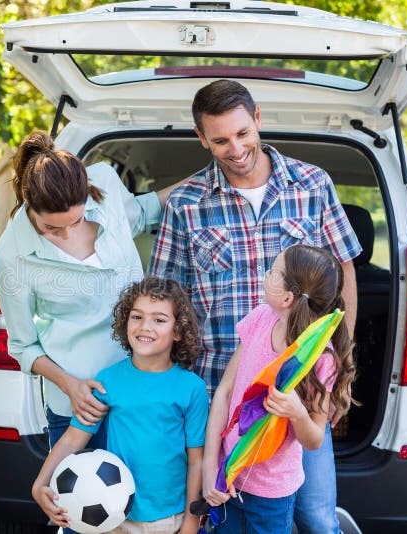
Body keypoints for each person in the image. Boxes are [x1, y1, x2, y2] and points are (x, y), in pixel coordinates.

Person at [149, 80, 362, 533]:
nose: (236, 148)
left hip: (297, 389)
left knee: (315, 517)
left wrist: (337, 368)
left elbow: (343, 276)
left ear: (258, 119)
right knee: (217, 512)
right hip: (218, 396)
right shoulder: (185, 206)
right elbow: (164, 299)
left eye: (243, 134)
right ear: (201, 138)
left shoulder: (313, 184)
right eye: (221, 140)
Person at [0, 131, 179, 449]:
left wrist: (212, 177)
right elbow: (23, 347)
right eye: (50, 228)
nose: (65, 234)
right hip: (80, 407)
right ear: (28, 202)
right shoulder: (10, 256)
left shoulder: (104, 181)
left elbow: (140, 213)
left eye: (76, 221)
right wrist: (71, 387)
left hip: (144, 392)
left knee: (151, 496)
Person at [32, 277, 209, 534]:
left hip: (171, 519)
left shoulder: (191, 388)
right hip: (115, 518)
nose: (145, 327)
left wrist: (192, 521)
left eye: (159, 320)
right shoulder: (108, 381)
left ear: (178, 331)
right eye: (137, 317)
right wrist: (40, 483)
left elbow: (197, 461)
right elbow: (72, 440)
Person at [202, 244, 356, 534]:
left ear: (287, 297)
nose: (266, 274)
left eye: (273, 271)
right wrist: (210, 467)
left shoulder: (320, 357)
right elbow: (224, 392)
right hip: (228, 478)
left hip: (272, 494)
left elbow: (313, 441)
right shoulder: (260, 319)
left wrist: (297, 413)